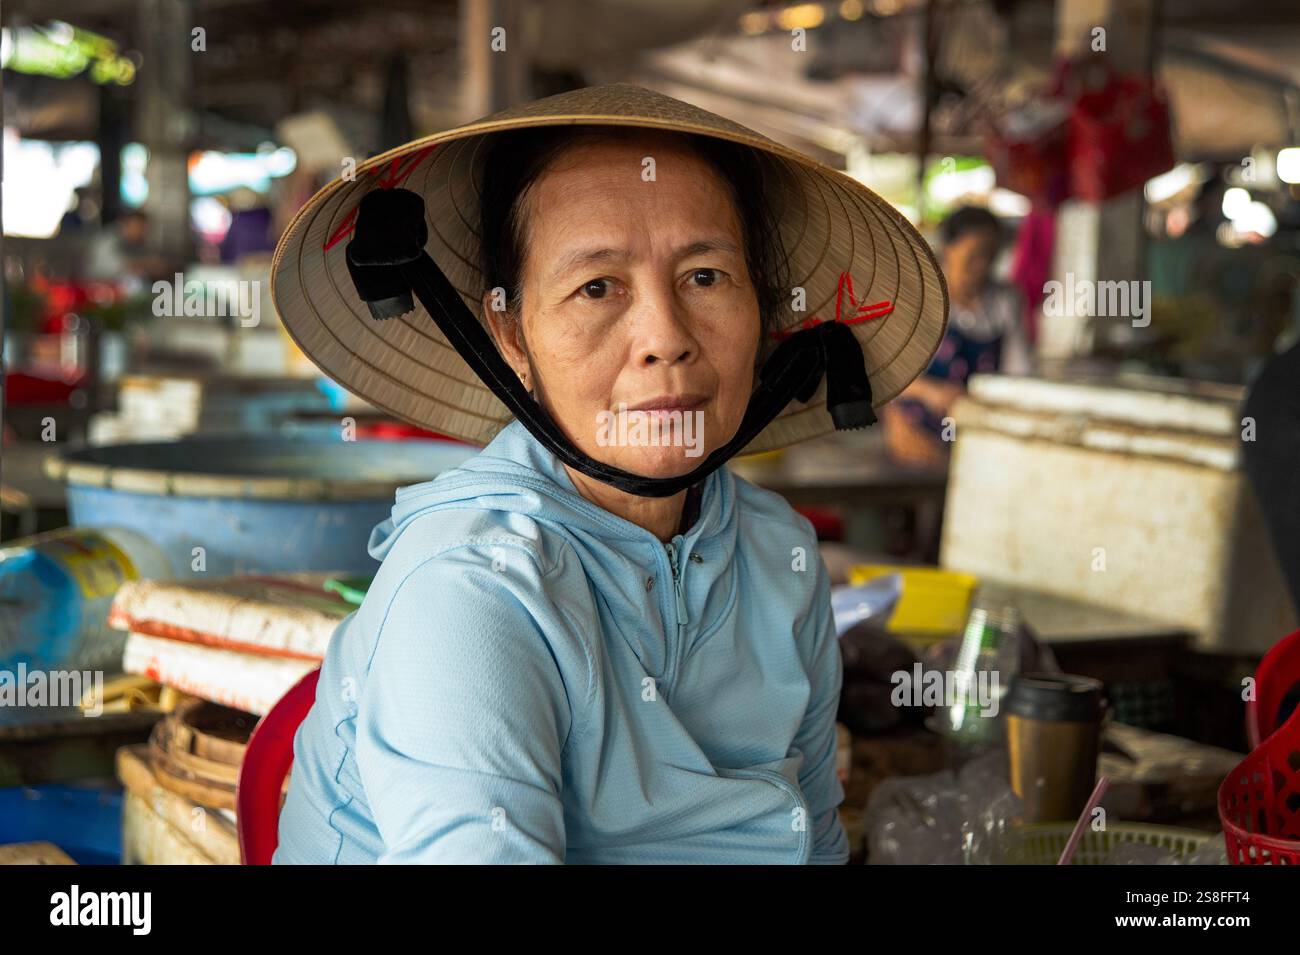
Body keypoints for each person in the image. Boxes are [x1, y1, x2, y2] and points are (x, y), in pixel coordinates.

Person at [269, 84, 947, 864]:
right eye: (597, 286)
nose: (666, 337)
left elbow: (816, 836)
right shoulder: (471, 587)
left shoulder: (778, 556)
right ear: (510, 333)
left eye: (705, 276)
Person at [885, 205, 1032, 467]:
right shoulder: (919, 298)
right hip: (915, 433)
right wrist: (931, 393)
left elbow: (1018, 373)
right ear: (948, 249)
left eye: (989, 256)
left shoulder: (1005, 301)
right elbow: (887, 375)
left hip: (979, 433)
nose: (981, 267)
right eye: (973, 256)